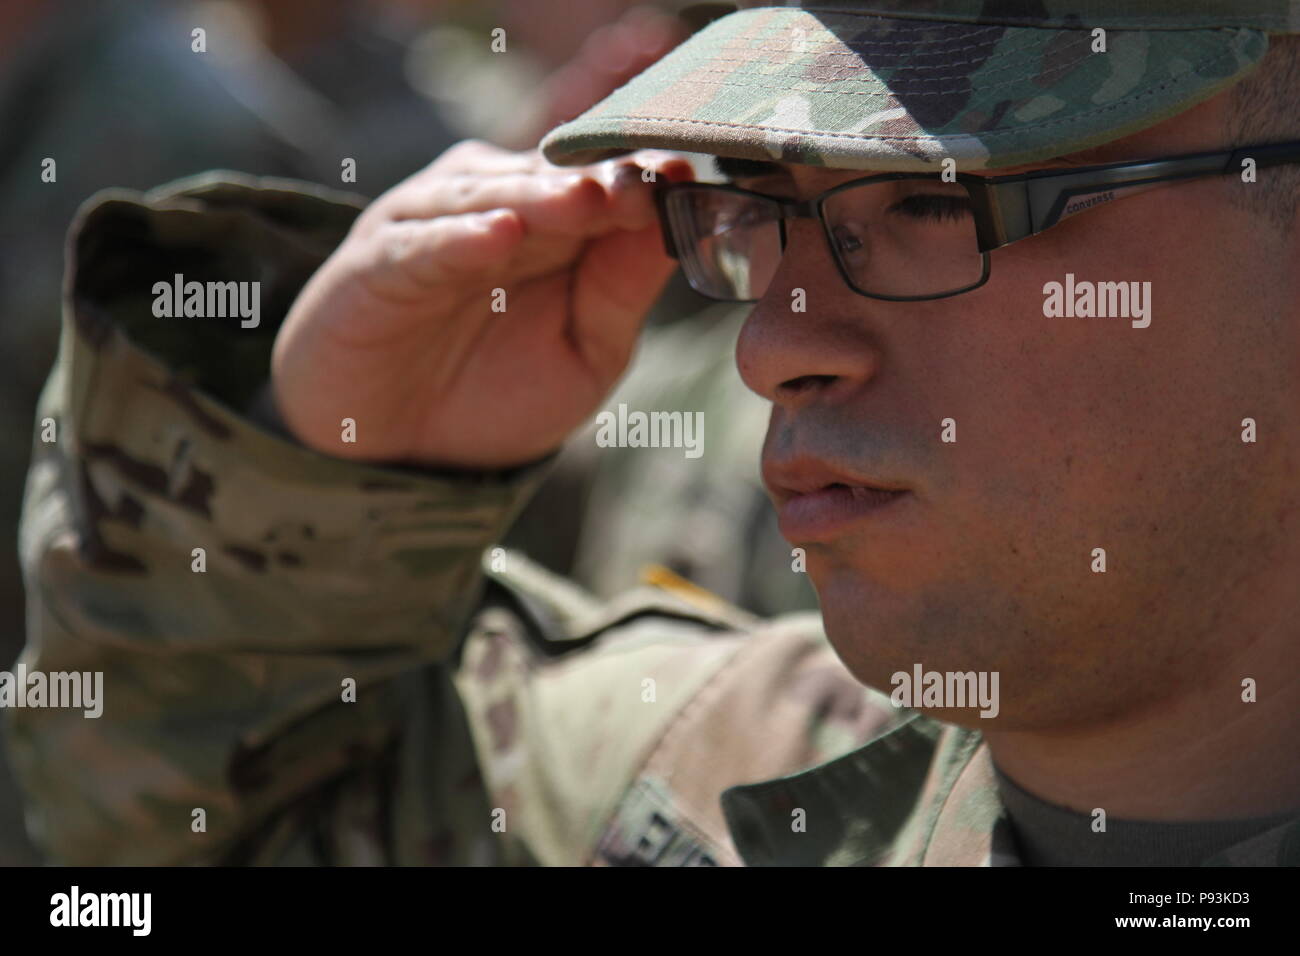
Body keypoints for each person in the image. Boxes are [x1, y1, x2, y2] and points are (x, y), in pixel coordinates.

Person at [6, 0, 1299, 866]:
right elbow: (159, 841)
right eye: (766, 216)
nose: (777, 344)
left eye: (934, 202)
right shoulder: (698, 774)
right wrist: (315, 467)